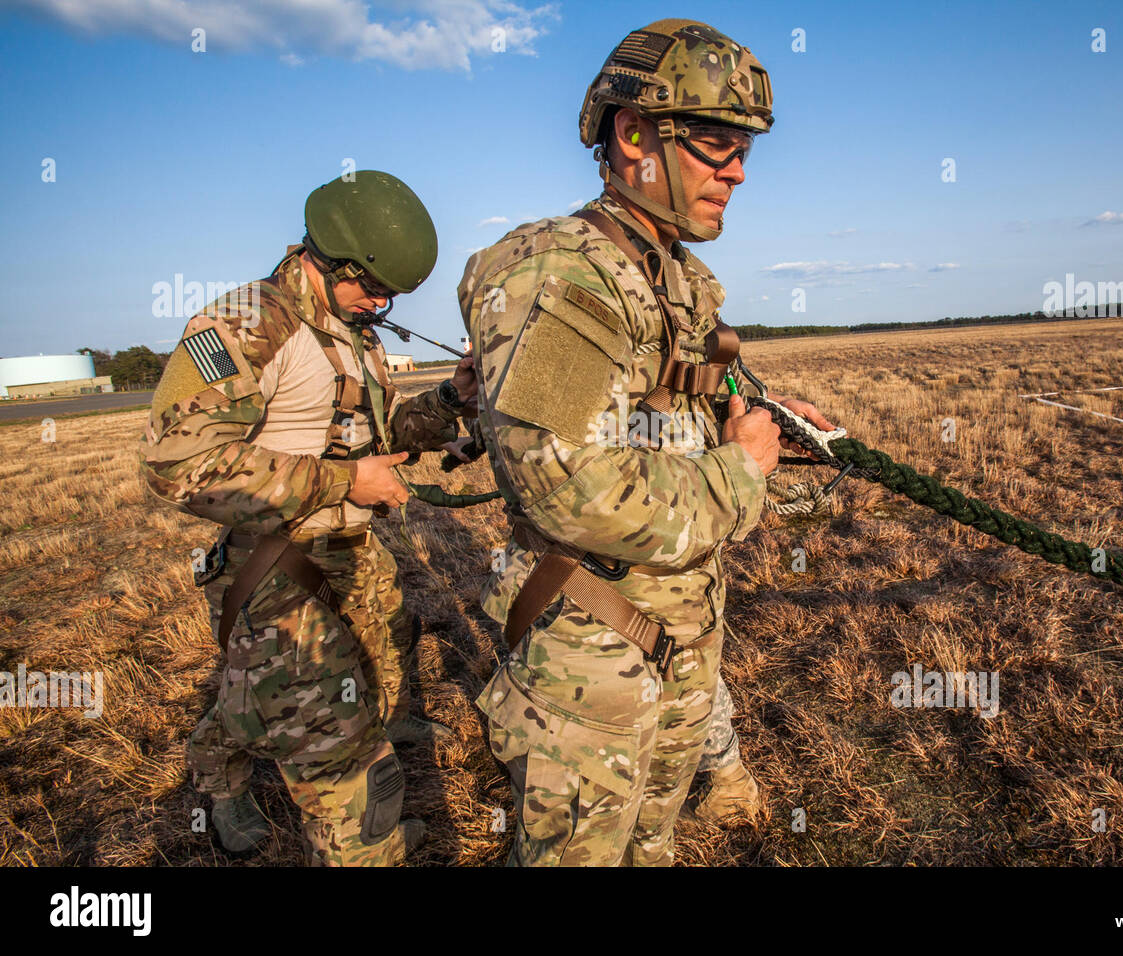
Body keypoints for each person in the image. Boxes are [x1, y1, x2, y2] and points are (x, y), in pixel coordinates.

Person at [459, 18, 835, 865]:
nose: (737, 168)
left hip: (677, 641)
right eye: (713, 141)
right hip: (593, 670)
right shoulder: (566, 276)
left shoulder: (673, 280)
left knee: (652, 847)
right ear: (633, 136)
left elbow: (692, 420)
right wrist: (742, 471)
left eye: (744, 146)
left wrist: (779, 433)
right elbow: (563, 482)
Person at [140, 170, 477, 865]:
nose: (384, 305)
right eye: (375, 288)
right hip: (278, 565)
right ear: (328, 259)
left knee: (359, 676)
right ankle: (348, 840)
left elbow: (380, 434)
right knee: (340, 754)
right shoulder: (248, 320)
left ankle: (252, 754)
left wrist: (450, 398)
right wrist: (348, 480)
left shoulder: (353, 329)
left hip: (355, 550)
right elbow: (177, 462)